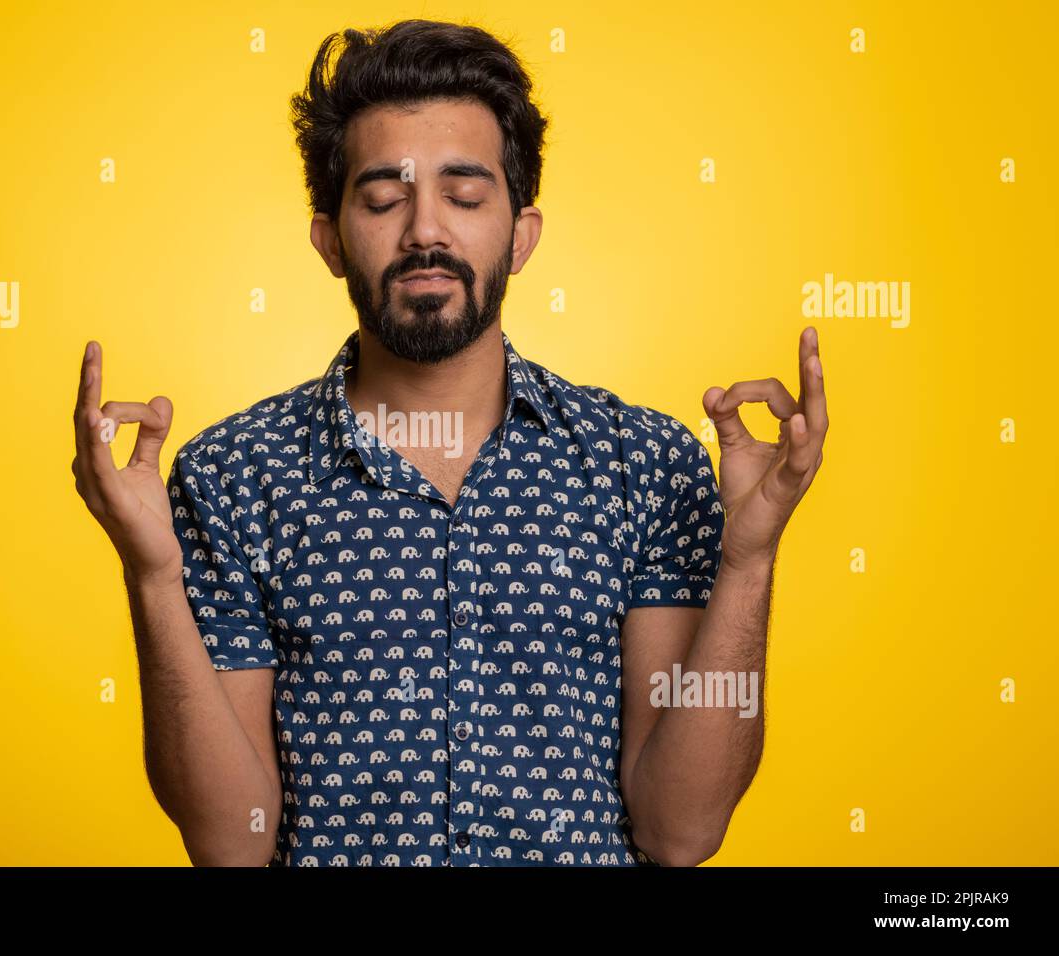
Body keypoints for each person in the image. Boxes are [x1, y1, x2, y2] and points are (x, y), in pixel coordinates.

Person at [70, 19, 828, 866]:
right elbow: (228, 843)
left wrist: (749, 559)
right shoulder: (232, 477)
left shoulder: (644, 465)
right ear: (328, 239)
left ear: (522, 233)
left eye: (464, 196)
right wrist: (152, 574)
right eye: (385, 200)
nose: (425, 231)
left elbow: (680, 831)